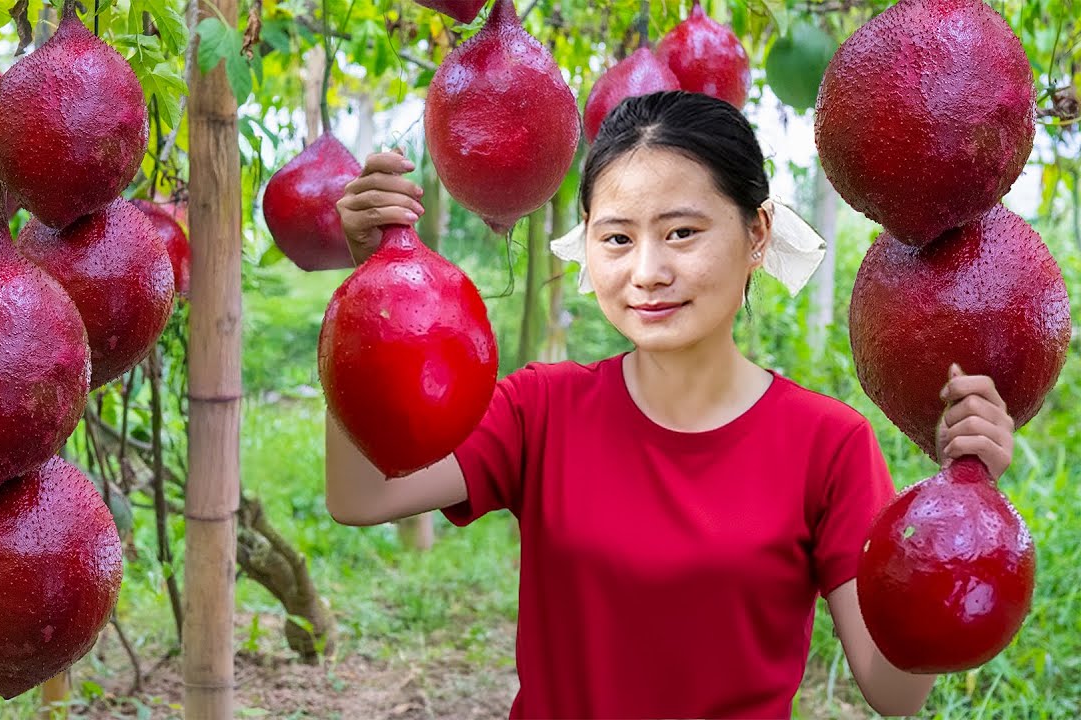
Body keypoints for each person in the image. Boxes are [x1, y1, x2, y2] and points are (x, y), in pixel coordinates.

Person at [322, 91, 1017, 719]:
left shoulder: (828, 445)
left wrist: (963, 505)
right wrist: (372, 299)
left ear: (756, 234)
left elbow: (893, 689)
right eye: (618, 238)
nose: (648, 272)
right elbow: (365, 494)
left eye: (682, 233)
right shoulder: (543, 408)